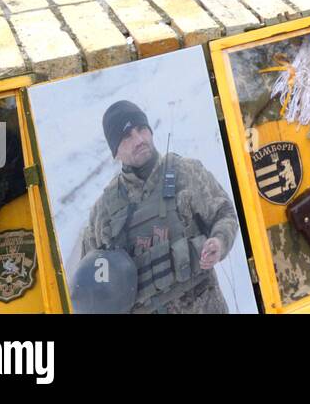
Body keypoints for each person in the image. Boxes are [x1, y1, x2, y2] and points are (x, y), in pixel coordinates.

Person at [78, 101, 239, 314]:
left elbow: (225, 213)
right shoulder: (103, 212)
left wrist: (219, 241)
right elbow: (91, 287)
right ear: (115, 152)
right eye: (127, 136)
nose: (139, 140)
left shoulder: (186, 173)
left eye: (141, 129)